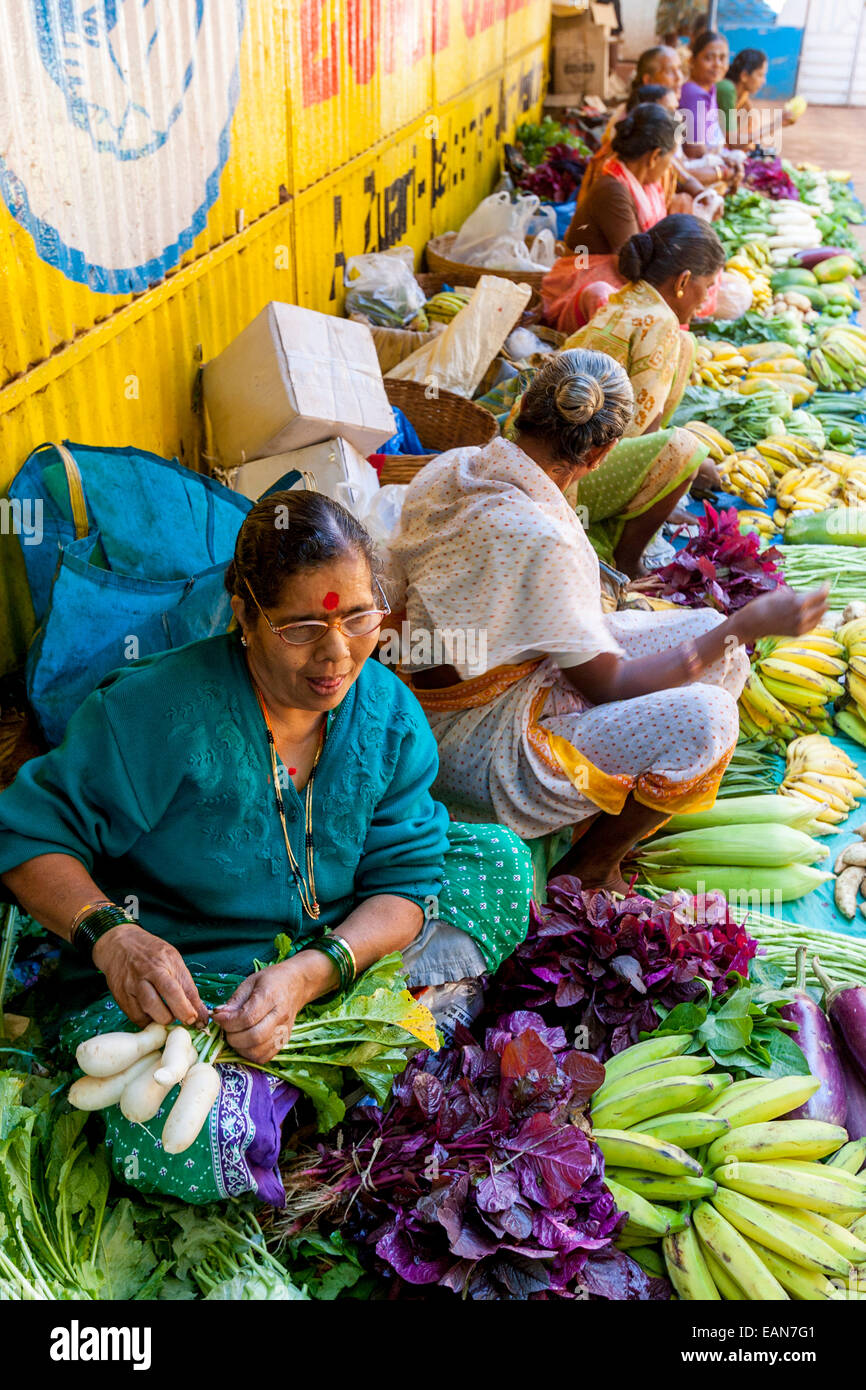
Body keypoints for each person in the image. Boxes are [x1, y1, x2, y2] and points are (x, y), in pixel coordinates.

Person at [0, 492, 533, 1046]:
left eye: (357, 618)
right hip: (198, 981)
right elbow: (27, 834)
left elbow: (405, 878)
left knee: (501, 863)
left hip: (334, 946)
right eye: (302, 627)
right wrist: (114, 937)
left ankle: (325, 1009)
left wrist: (312, 972)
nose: (338, 654)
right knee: (179, 1115)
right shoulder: (151, 714)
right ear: (245, 618)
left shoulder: (389, 714)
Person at [387, 350, 829, 893]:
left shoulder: (449, 467)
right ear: (600, 454)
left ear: (523, 404)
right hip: (468, 741)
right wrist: (747, 623)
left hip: (445, 690)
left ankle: (598, 811)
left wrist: (722, 634)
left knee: (706, 636)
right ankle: (589, 865)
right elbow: (607, 682)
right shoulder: (544, 539)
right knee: (709, 714)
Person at [542, 104, 681, 336]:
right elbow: (631, 265)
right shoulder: (613, 190)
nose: (671, 166)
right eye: (671, 157)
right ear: (655, 156)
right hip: (582, 291)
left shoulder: (645, 186)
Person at [680, 30, 731, 157]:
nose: (717, 65)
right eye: (709, 58)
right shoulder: (693, 93)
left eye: (722, 58)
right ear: (692, 61)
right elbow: (694, 150)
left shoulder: (710, 88)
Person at [716, 48, 771, 148]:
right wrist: (777, 124)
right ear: (744, 75)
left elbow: (750, 124)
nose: (763, 81)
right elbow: (733, 142)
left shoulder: (742, 94)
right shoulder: (727, 89)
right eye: (760, 75)